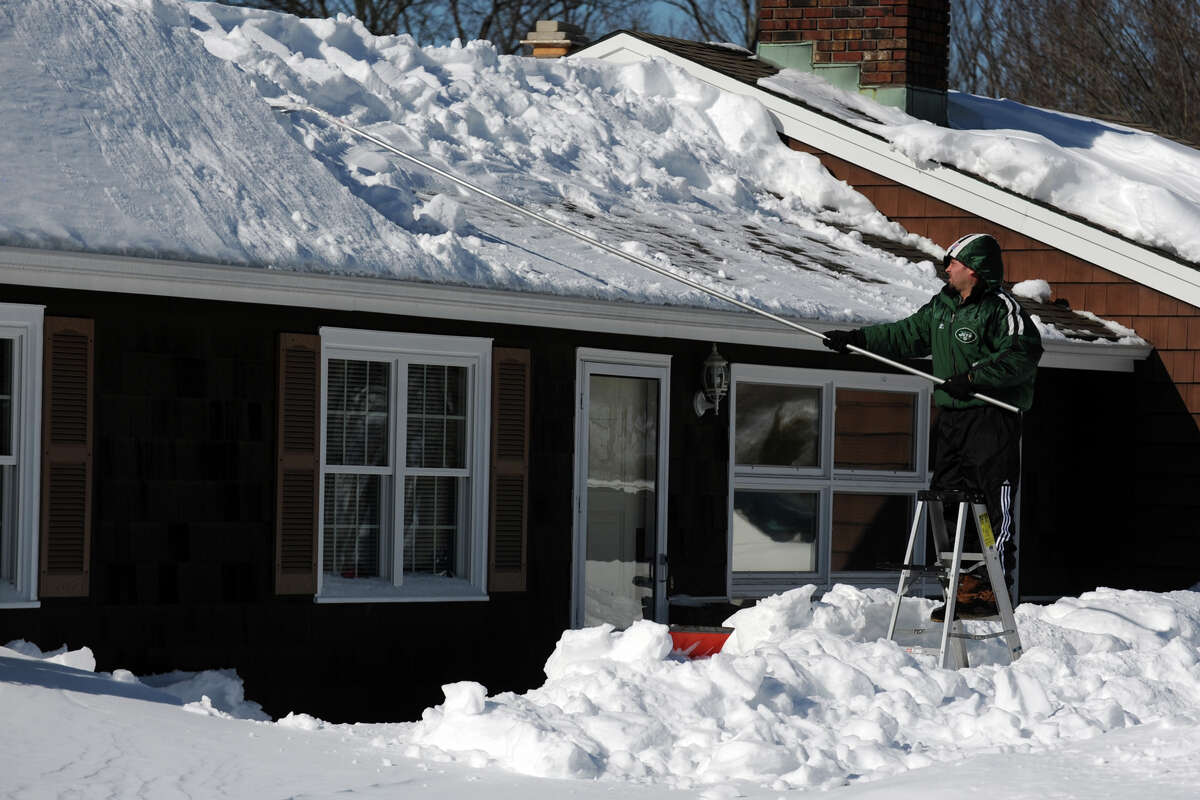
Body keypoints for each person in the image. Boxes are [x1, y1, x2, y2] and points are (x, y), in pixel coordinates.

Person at [823, 233, 1042, 619]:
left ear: (974, 269)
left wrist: (973, 378)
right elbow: (904, 335)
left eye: (953, 262)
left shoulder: (1000, 309)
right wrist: (856, 340)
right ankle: (965, 585)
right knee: (951, 499)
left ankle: (994, 584)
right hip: (953, 419)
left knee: (991, 500)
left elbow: (1021, 355)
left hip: (991, 417)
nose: (947, 269)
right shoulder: (942, 307)